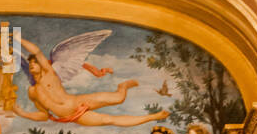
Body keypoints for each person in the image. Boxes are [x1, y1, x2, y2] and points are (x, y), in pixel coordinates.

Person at [14, 35, 166, 127]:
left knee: (119, 97)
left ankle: (123, 85)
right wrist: (22, 113)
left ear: (42, 65)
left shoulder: (49, 74)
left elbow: (37, 51)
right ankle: (153, 117)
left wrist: (17, 38)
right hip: (71, 116)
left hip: (77, 101)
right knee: (109, 120)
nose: (33, 65)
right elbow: (43, 115)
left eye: (36, 62)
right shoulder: (33, 91)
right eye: (31, 63)